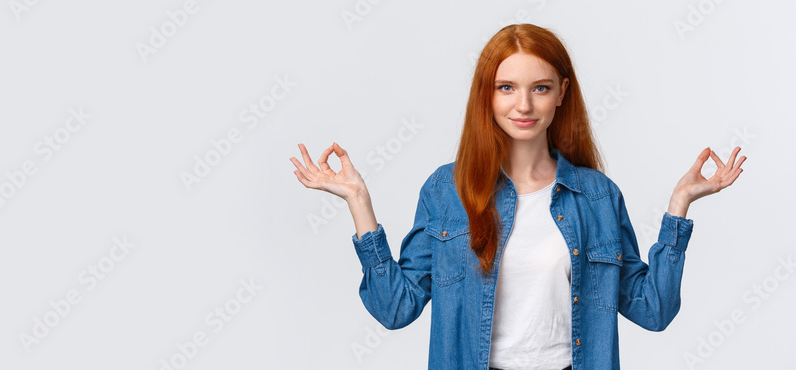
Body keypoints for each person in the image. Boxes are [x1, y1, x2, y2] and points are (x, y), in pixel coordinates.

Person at [289, 23, 746, 369]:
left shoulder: (597, 196)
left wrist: (679, 208)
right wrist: (358, 202)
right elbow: (395, 308)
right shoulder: (446, 190)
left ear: (562, 94)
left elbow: (654, 310)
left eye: (540, 88)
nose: (523, 105)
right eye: (506, 88)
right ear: (486, 96)